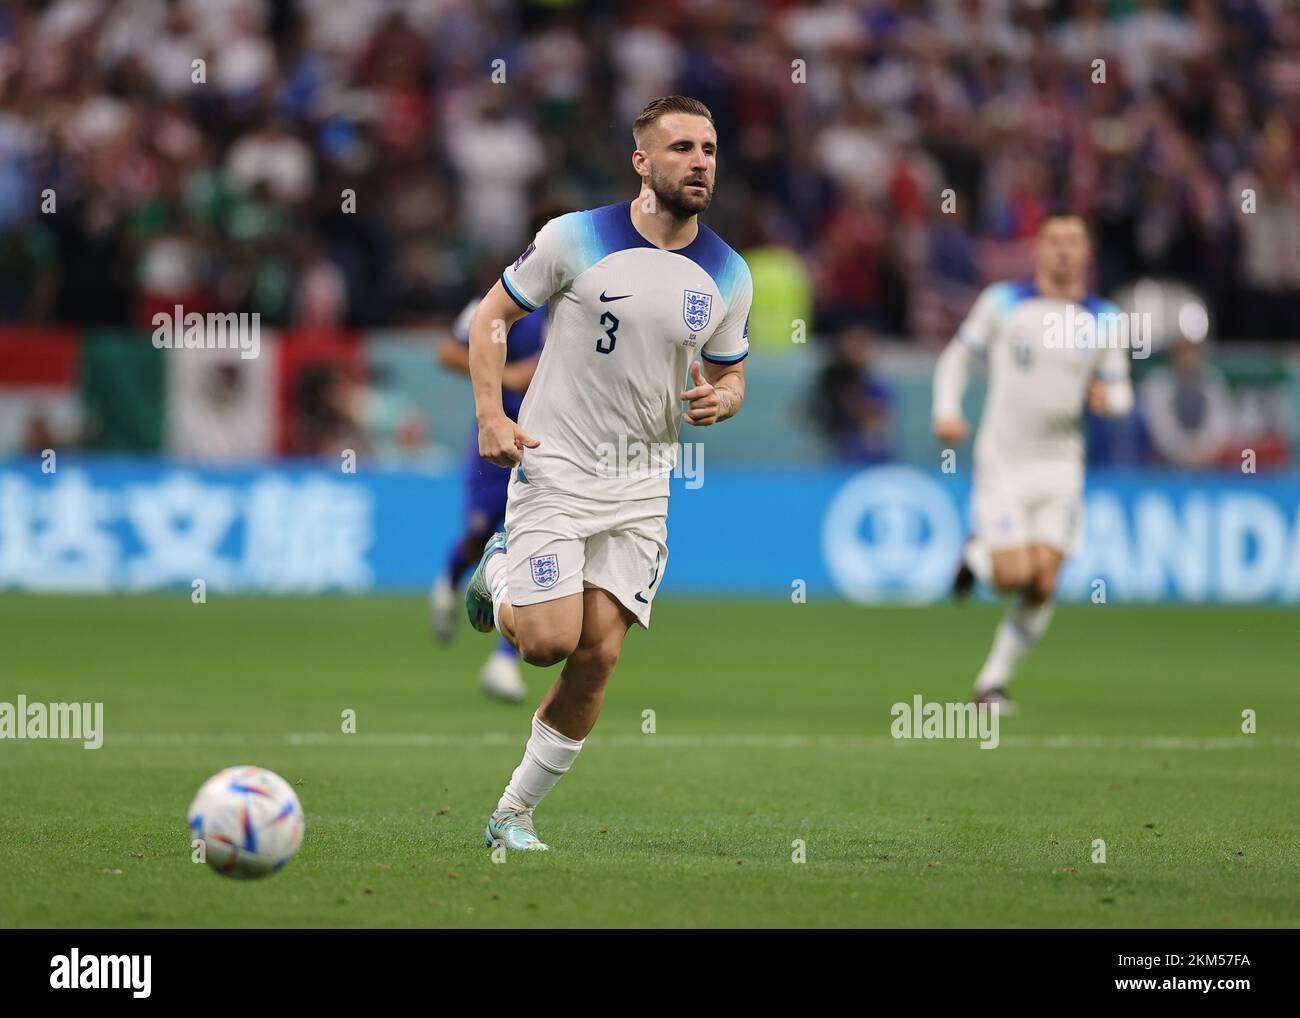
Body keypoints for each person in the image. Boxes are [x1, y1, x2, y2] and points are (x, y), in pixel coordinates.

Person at [462, 96, 752, 851]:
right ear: (642, 162)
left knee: (600, 655)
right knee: (547, 643)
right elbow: (491, 319)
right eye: (683, 147)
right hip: (555, 464)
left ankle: (513, 815)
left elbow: (732, 372)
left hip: (642, 485)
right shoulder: (574, 237)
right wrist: (492, 417)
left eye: (711, 149)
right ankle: (498, 576)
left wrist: (723, 399)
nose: (700, 162)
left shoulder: (728, 271)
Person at [932, 212, 1134, 714]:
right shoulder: (1003, 302)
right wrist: (947, 410)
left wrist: (1111, 401)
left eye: (1074, 242)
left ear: (1087, 253)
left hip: (1061, 466)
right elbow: (957, 357)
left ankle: (991, 685)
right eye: (1054, 241)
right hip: (1003, 461)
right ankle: (978, 556)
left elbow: (1122, 388)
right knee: (1011, 575)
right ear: (1039, 250)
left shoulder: (1105, 319)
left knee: (1044, 582)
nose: (1064, 251)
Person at [428, 293, 544, 702]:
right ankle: (451, 578)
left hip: (551, 445)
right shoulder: (502, 300)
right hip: (499, 440)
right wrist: (508, 376)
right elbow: (448, 351)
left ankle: (504, 660)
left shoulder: (583, 303)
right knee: (479, 533)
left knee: (531, 545)